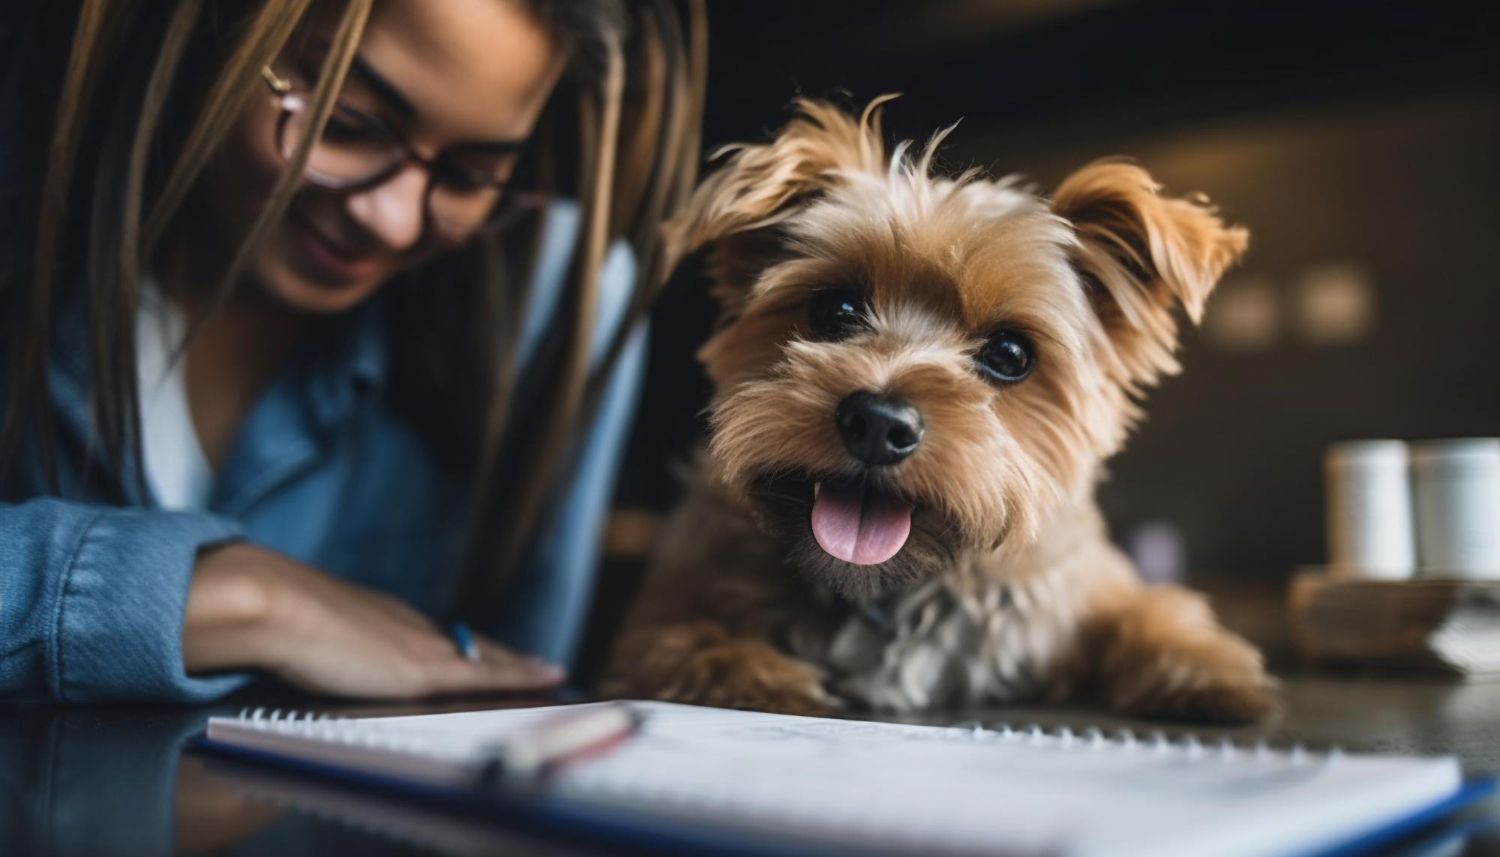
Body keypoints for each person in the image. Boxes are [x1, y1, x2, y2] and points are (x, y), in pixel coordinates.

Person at [0, 0, 704, 702]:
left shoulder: (554, 296)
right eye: (342, 123)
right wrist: (240, 598)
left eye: (467, 177)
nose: (394, 222)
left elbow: (508, 710)